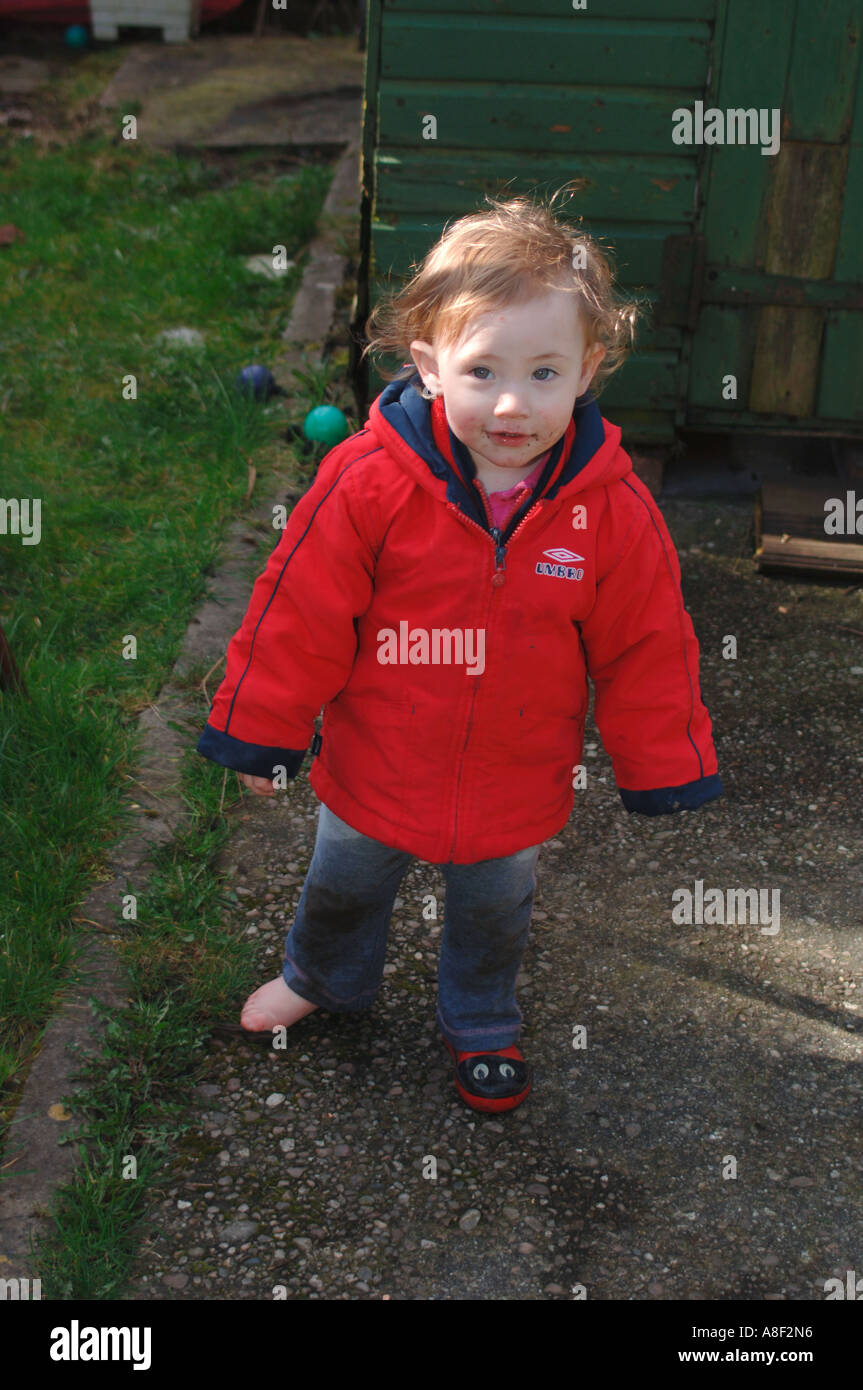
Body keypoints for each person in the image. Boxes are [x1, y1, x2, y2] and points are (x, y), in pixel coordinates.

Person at [196, 191, 722, 1113]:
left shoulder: (610, 508)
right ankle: (322, 978)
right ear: (430, 365)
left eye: (546, 372)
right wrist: (261, 730)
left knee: (493, 913)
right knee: (343, 886)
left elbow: (647, 644)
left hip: (515, 773)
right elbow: (299, 612)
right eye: (482, 371)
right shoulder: (368, 481)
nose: (513, 403)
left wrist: (661, 761)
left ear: (588, 370)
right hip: (377, 757)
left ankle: (481, 1019)